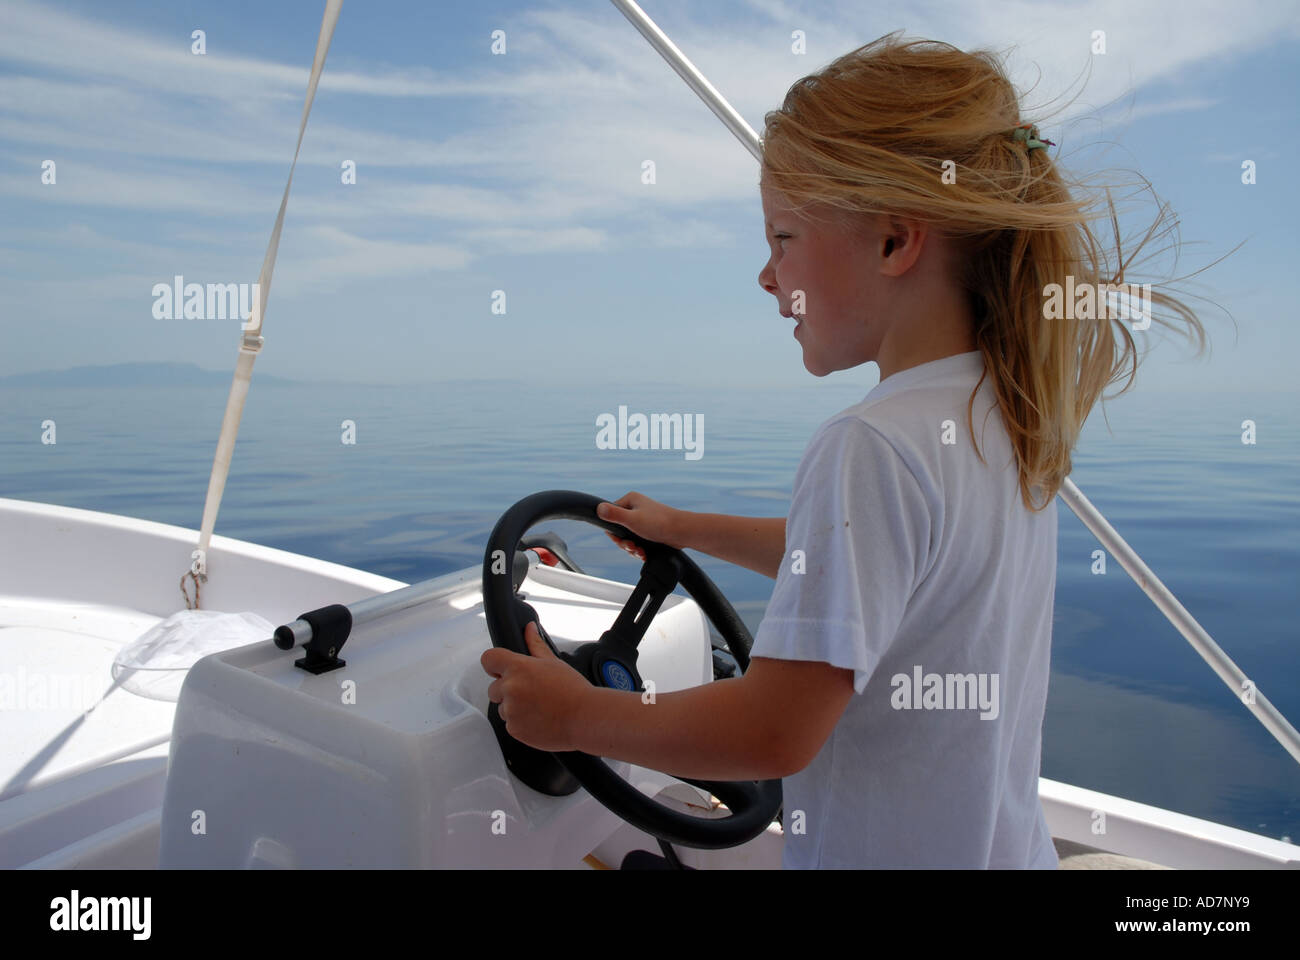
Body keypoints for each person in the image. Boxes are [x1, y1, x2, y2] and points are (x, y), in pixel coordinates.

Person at [480, 32, 1207, 868]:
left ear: (896, 242)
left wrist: (577, 717)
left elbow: (773, 733)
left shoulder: (868, 446)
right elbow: (866, 564)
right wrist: (686, 527)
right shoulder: (1002, 412)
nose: (765, 276)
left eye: (783, 238)